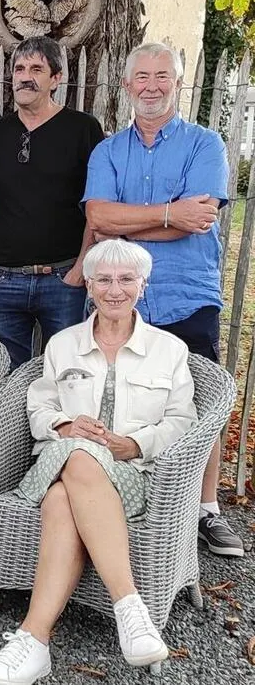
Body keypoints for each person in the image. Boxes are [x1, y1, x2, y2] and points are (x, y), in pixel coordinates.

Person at [0, 239, 196, 685]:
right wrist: (63, 426)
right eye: (104, 280)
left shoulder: (169, 350)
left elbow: (182, 421)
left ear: (143, 283)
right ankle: (129, 606)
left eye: (126, 279)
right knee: (78, 455)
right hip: (57, 459)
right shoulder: (63, 344)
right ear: (89, 286)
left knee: (63, 499)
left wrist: (132, 444)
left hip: (129, 475)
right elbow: (37, 408)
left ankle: (32, 639)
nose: (115, 290)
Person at [82, 42, 242, 557]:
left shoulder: (205, 145)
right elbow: (100, 220)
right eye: (141, 77)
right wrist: (171, 213)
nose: (151, 86)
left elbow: (201, 220)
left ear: (177, 84)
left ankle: (205, 509)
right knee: (117, 393)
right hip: (118, 295)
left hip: (185, 294)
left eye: (162, 77)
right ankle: (129, 493)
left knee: (196, 400)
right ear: (126, 86)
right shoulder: (108, 151)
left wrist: (137, 222)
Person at [0, 36, 104, 369]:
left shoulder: (83, 129)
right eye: (19, 68)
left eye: (36, 69)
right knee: (6, 379)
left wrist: (79, 270)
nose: (24, 76)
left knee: (70, 374)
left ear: (56, 79)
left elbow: (96, 209)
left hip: (63, 280)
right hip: (2, 281)